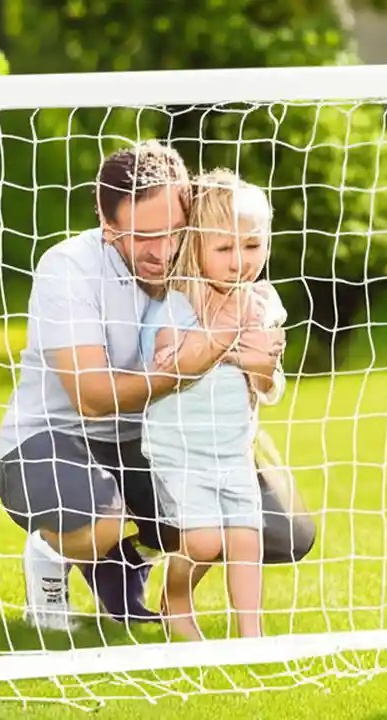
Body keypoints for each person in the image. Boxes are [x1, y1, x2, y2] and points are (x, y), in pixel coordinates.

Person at [0, 141, 315, 632]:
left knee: (281, 531)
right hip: (55, 440)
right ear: (107, 223)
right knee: (96, 517)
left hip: (157, 442)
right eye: (144, 237)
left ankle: (129, 552)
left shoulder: (208, 267)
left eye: (174, 231)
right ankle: (55, 549)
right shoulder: (69, 268)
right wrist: (201, 360)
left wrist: (252, 366)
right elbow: (92, 398)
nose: (163, 252)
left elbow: (260, 367)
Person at [140, 170, 285, 641]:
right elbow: (173, 366)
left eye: (253, 246)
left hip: (233, 450)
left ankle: (251, 636)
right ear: (195, 247)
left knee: (247, 538)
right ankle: (173, 600)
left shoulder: (263, 304)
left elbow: (267, 382)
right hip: (179, 450)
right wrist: (231, 346)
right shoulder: (177, 305)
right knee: (202, 542)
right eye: (224, 249)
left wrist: (258, 363)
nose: (240, 262)